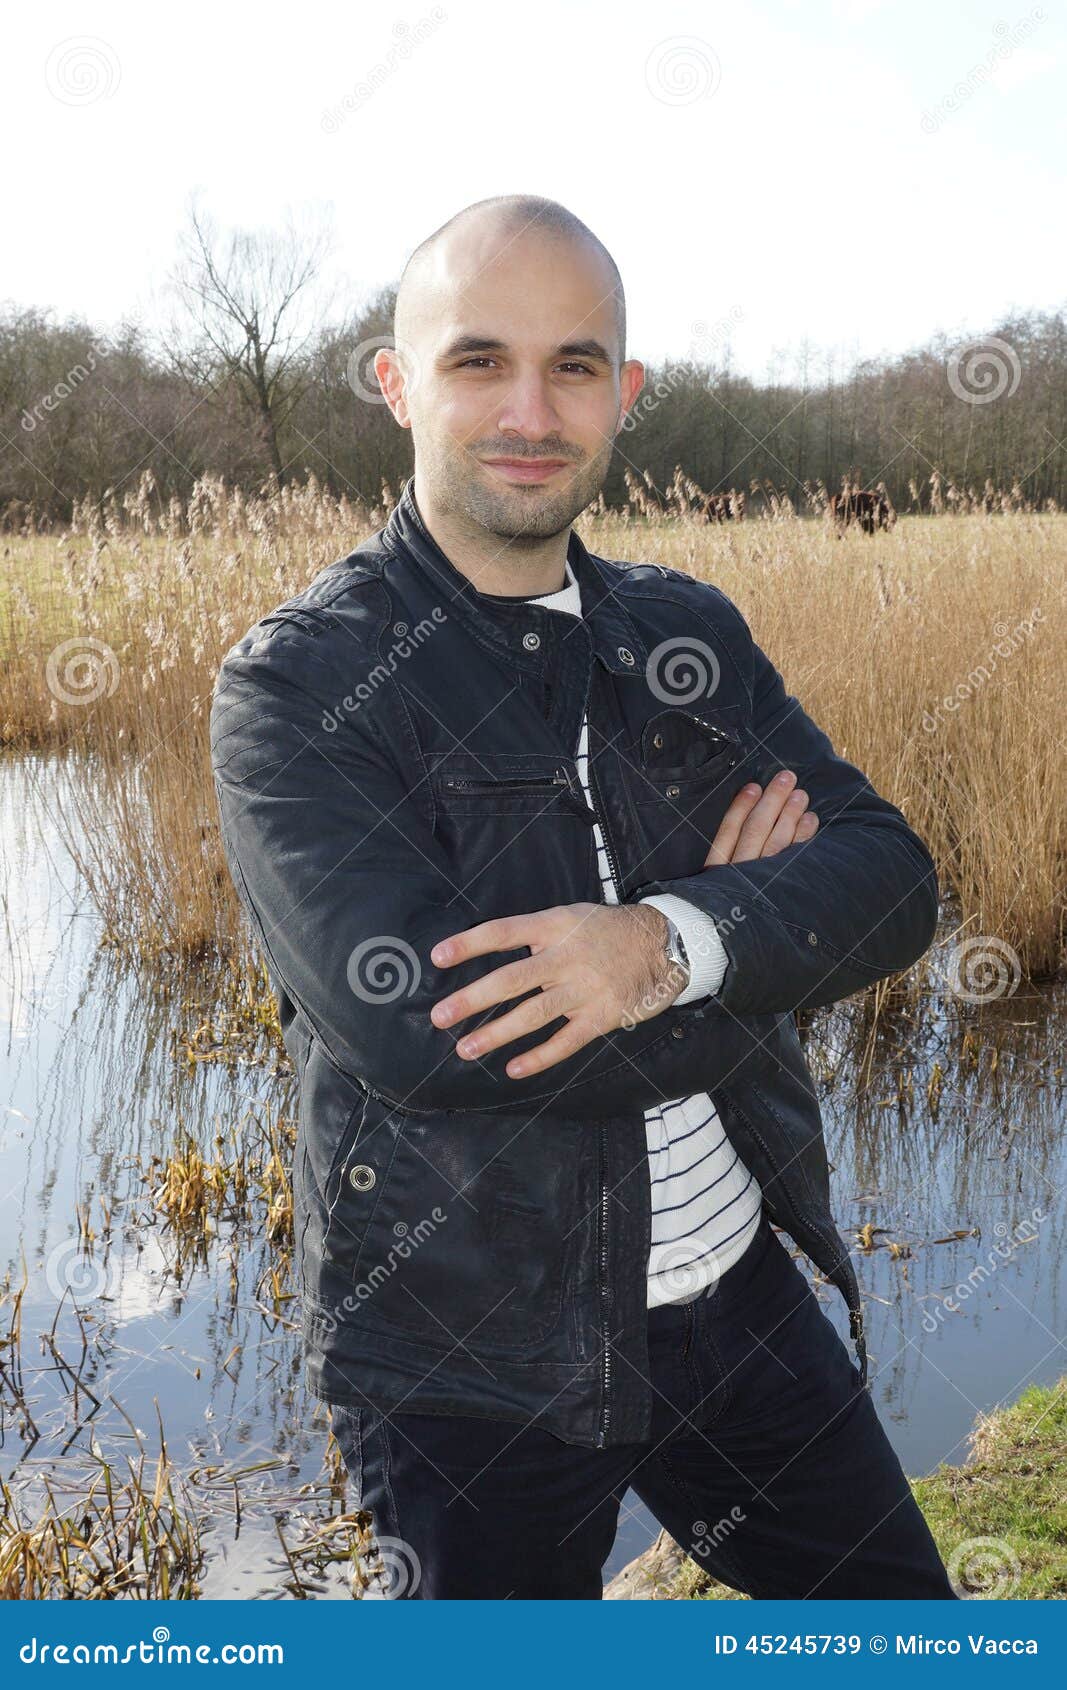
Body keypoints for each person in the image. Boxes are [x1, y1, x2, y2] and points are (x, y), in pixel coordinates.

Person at [210, 194, 957, 1600]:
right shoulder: (299, 684)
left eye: (575, 364)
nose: (530, 410)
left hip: (741, 1301)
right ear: (397, 382)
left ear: (627, 390)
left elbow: (896, 883)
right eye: (479, 359)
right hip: (473, 1360)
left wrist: (664, 944)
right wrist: (747, 945)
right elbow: (427, 1033)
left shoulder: (686, 632)